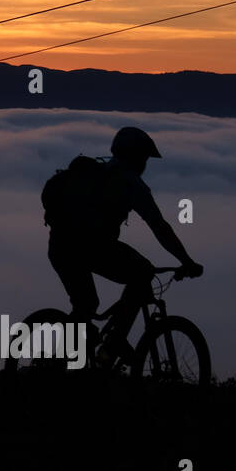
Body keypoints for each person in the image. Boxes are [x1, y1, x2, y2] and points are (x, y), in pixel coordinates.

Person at [47, 126, 204, 362]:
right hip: (92, 248)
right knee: (142, 272)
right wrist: (186, 262)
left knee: (86, 304)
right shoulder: (130, 183)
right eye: (144, 159)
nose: (145, 165)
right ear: (137, 157)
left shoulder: (98, 172)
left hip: (60, 246)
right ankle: (114, 343)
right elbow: (160, 228)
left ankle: (62, 366)